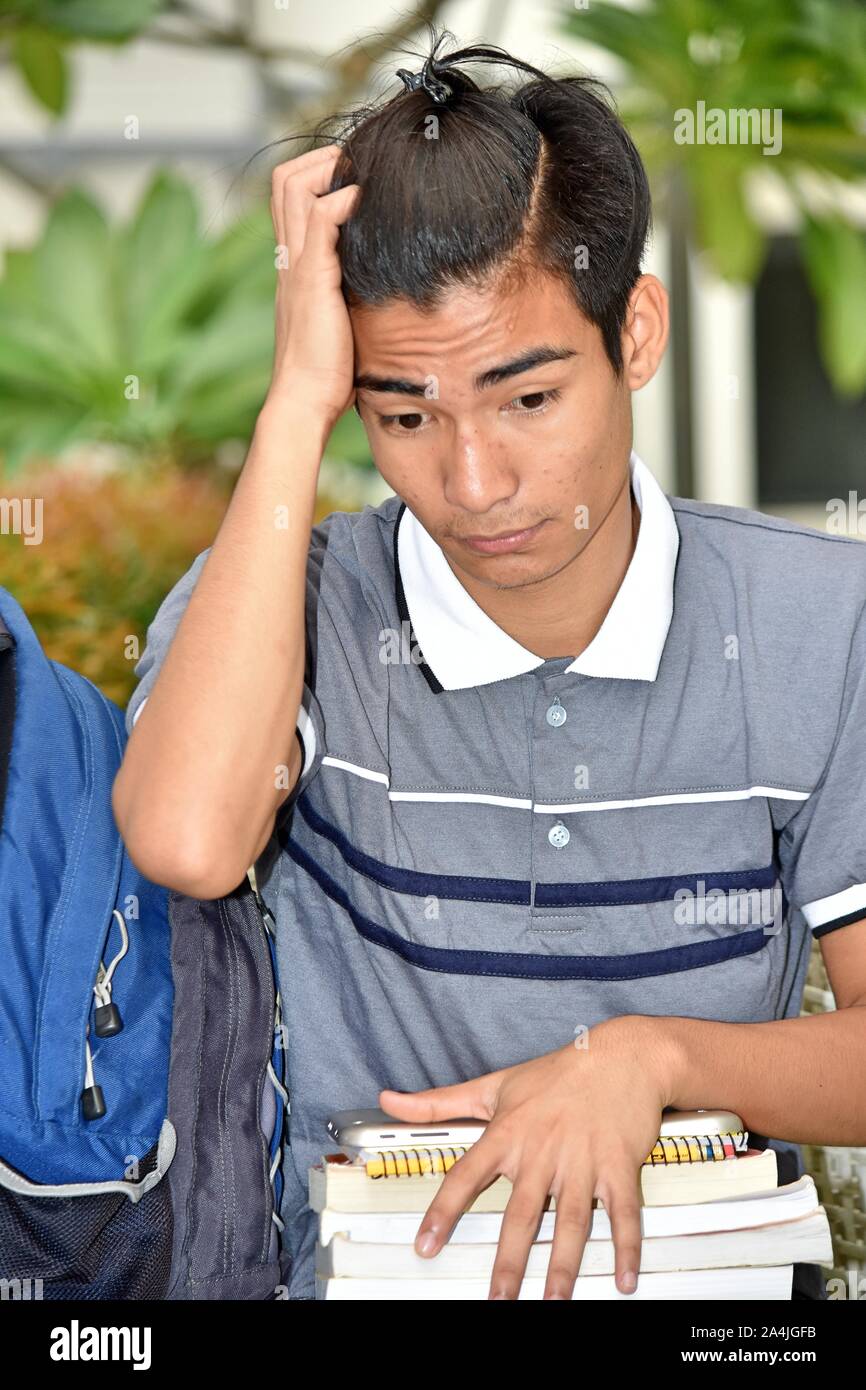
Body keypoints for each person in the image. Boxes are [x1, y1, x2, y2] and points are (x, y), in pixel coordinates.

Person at [112, 31, 866, 1302]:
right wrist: (294, 404)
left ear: (635, 330)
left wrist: (648, 1058)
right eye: (401, 414)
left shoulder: (819, 621)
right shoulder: (294, 602)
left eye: (526, 399)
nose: (472, 483)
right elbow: (187, 839)